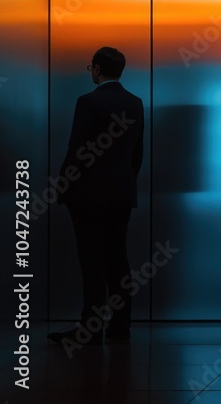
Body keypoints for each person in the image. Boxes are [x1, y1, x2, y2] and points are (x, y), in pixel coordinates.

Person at [49, 46, 144, 348]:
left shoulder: (88, 102)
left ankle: (89, 330)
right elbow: (136, 153)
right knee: (118, 258)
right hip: (121, 193)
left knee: (92, 262)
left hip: (88, 196)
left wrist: (63, 187)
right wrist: (127, 183)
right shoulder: (135, 103)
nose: (90, 72)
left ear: (98, 69)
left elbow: (77, 150)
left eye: (91, 67)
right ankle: (120, 326)